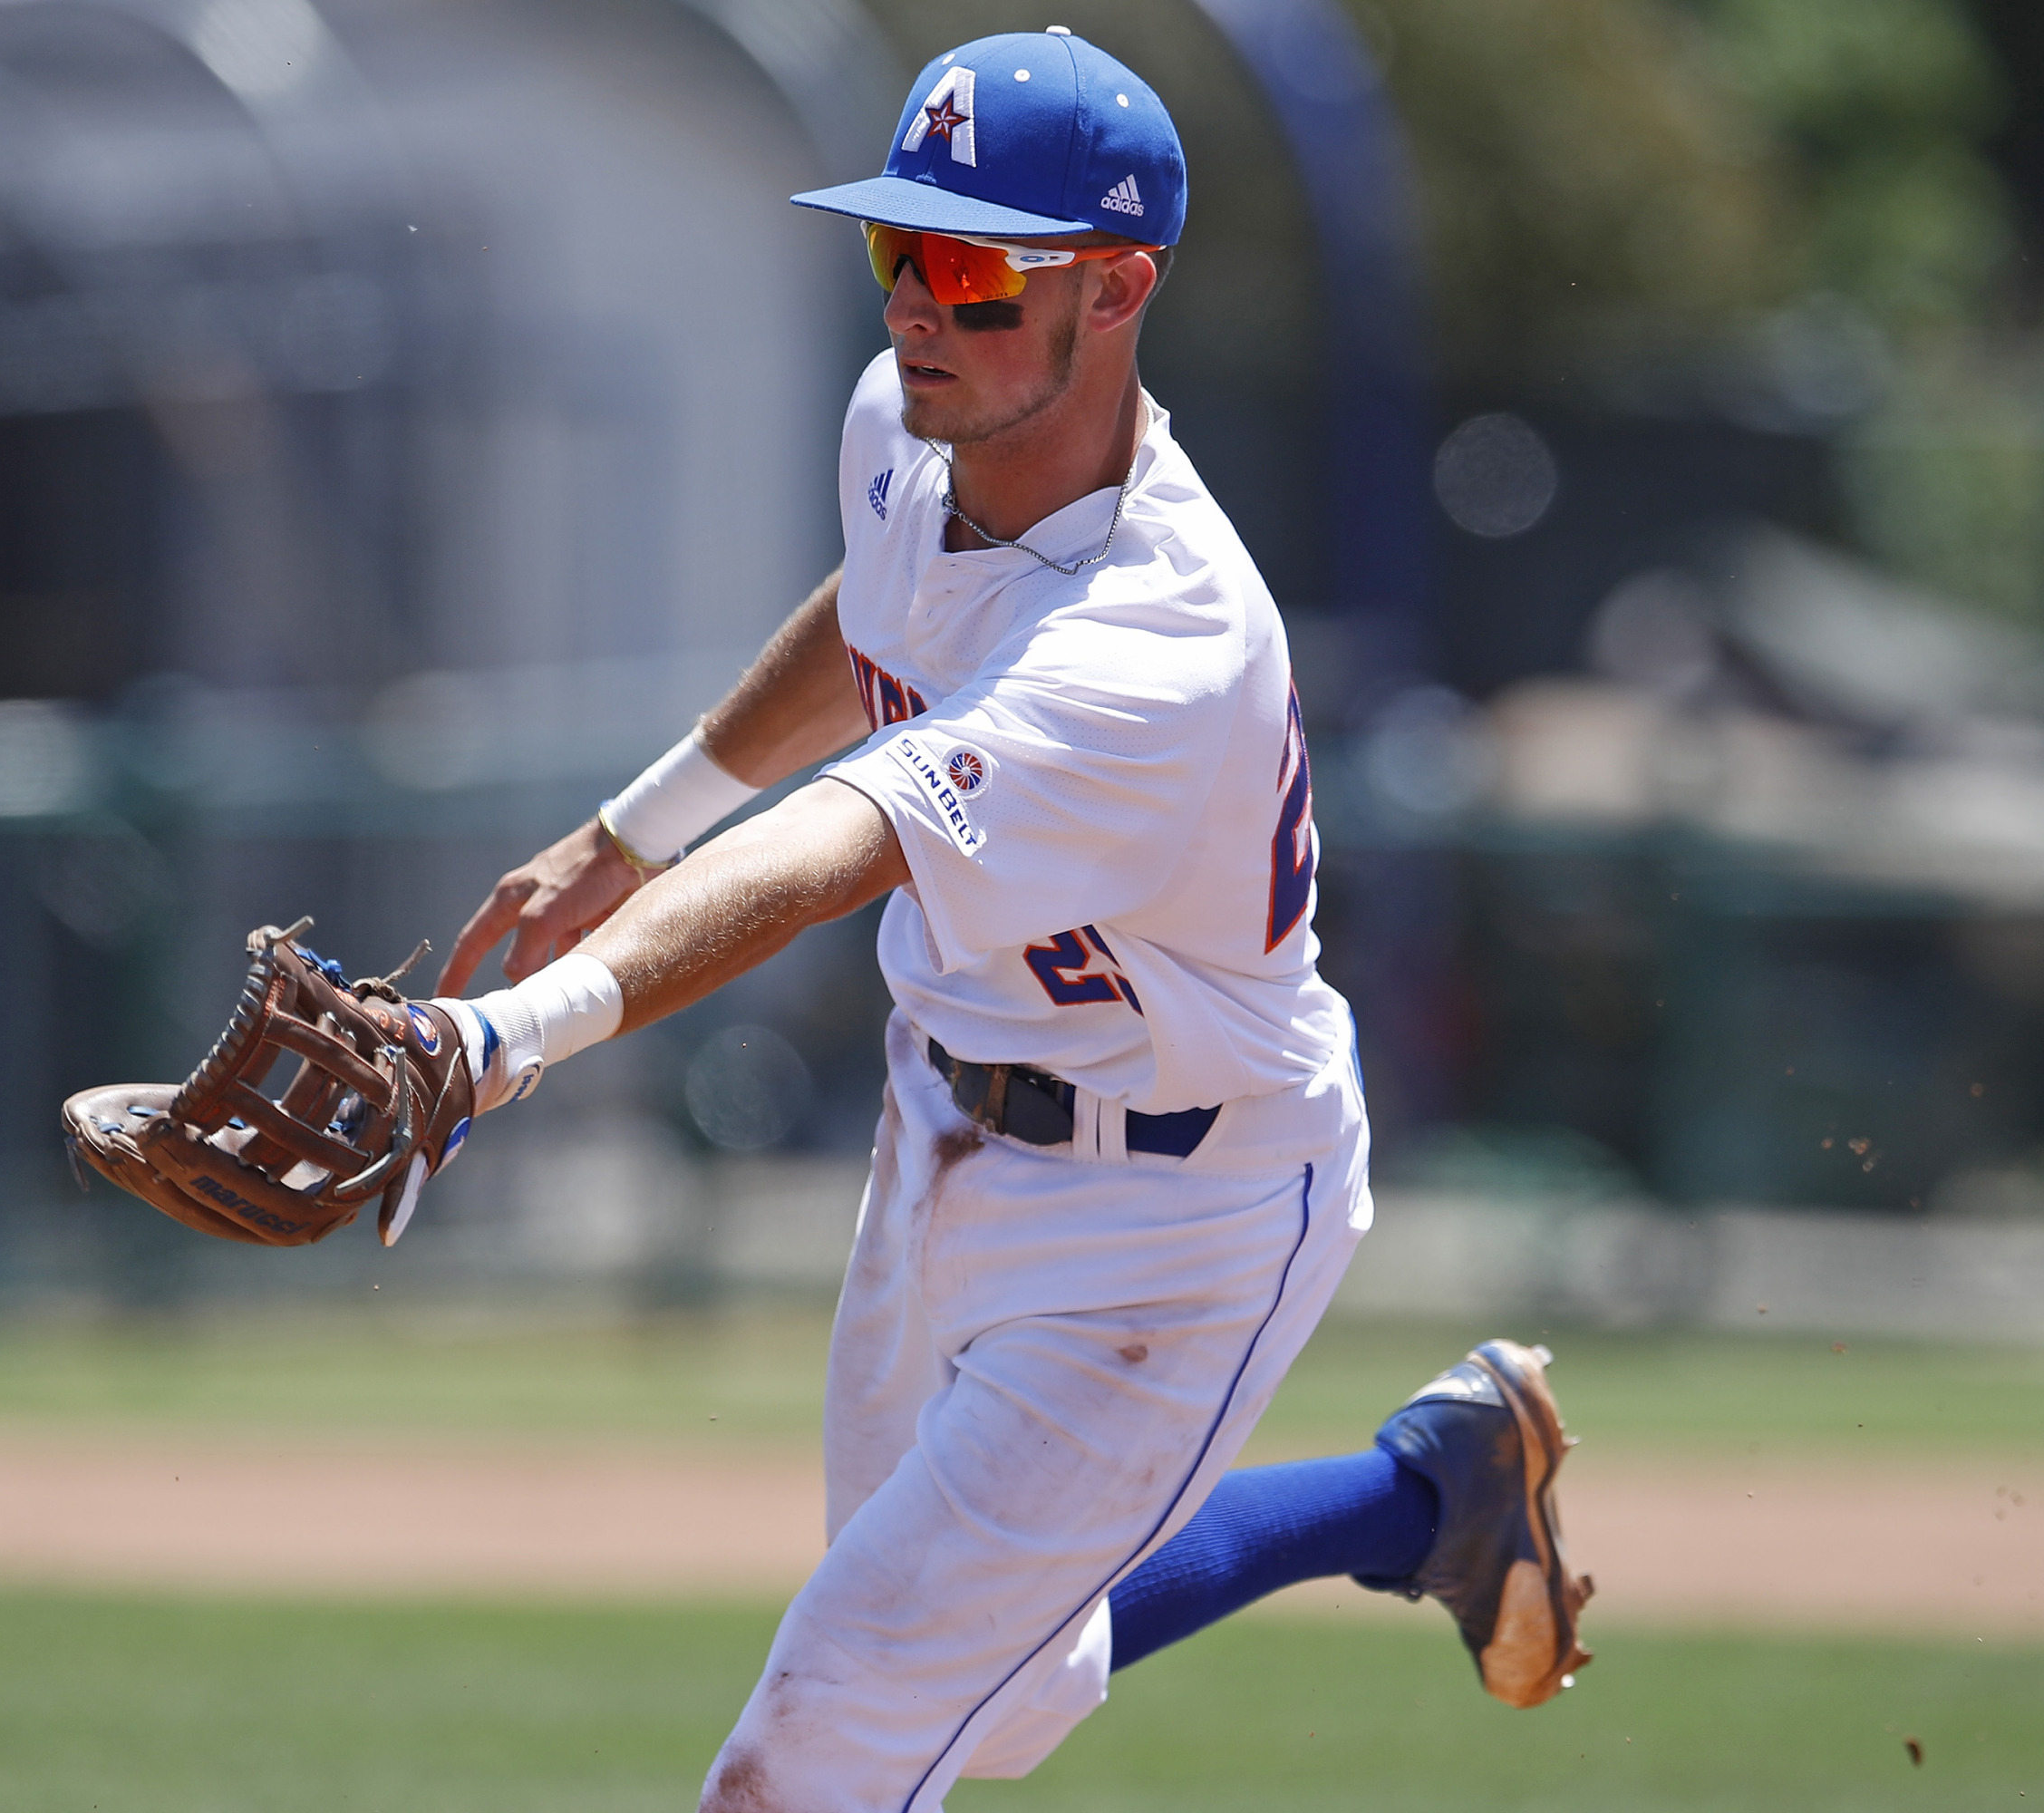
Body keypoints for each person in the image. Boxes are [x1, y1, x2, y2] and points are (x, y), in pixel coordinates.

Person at [423, 29, 1590, 1811]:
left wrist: (514, 1036)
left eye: (974, 271)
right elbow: (879, 598)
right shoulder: (913, 423)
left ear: (1120, 287)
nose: (917, 312)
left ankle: (1425, 1489)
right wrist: (637, 823)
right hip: (943, 1125)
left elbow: (840, 842)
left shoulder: (1158, 637)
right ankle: (1433, 1489)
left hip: (1176, 1208)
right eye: (897, 249)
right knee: (1000, 1687)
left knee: (808, 1760)